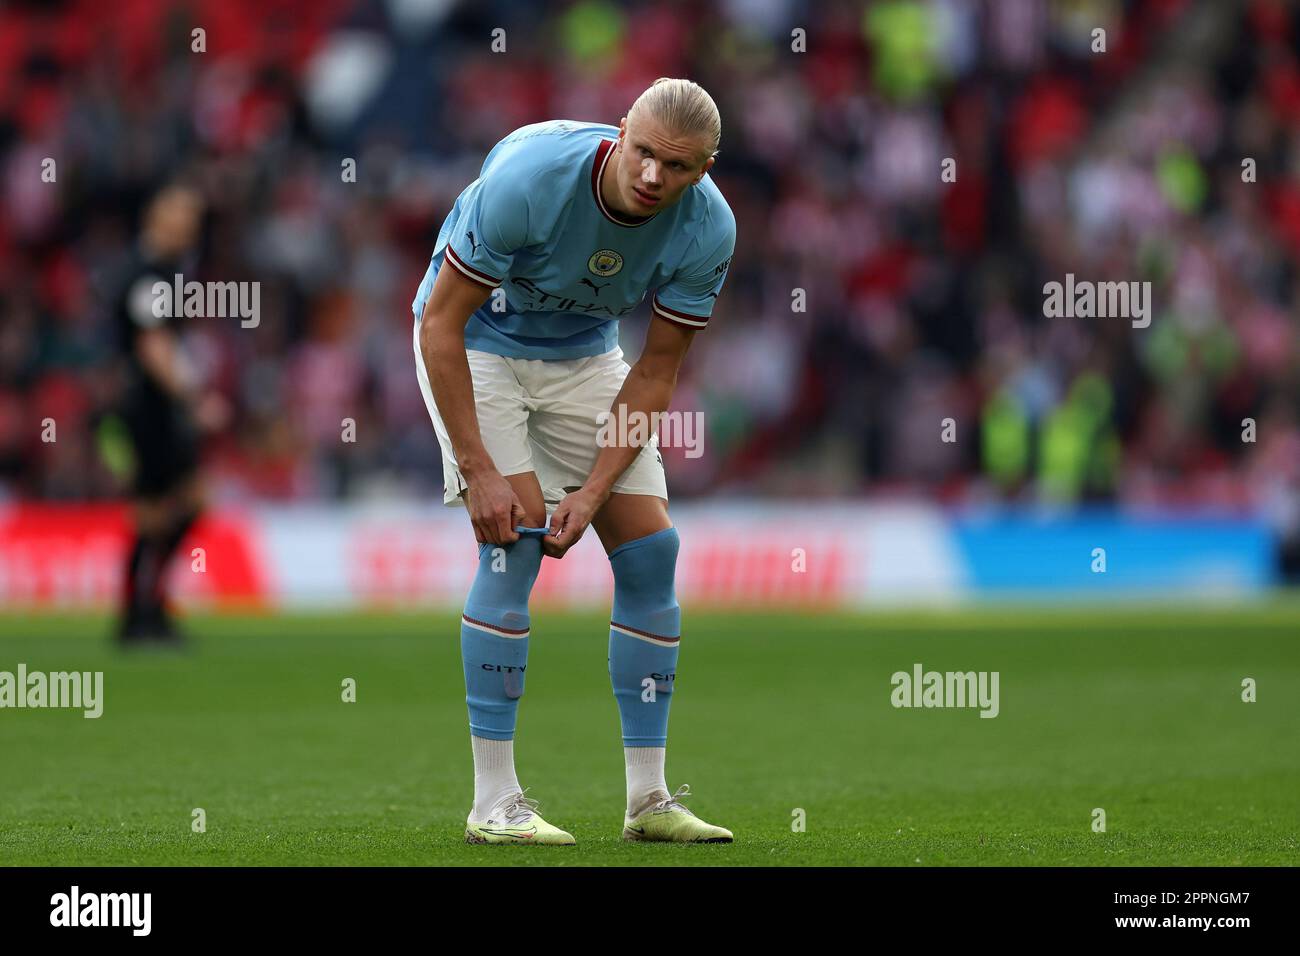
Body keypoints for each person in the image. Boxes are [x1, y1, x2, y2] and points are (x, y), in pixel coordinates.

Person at [413, 78, 736, 844]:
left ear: (706, 168)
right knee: (513, 544)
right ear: (621, 131)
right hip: (477, 347)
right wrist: (480, 468)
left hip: (585, 355)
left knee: (653, 552)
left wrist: (594, 490)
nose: (655, 177)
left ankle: (648, 803)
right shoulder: (531, 180)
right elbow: (439, 324)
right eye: (645, 153)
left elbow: (656, 370)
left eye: (680, 167)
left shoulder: (709, 228)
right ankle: (494, 803)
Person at [112, 183, 228, 645]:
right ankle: (141, 614)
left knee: (170, 507)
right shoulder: (148, 276)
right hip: (148, 410)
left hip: (152, 408)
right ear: (158, 220)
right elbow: (153, 345)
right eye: (183, 218)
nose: (192, 228)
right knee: (160, 511)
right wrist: (192, 397)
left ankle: (144, 611)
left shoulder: (159, 273)